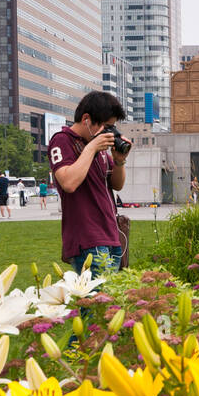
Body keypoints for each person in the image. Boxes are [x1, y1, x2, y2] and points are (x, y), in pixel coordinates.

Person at [47, 91, 128, 274]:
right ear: (86, 119)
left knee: (109, 301)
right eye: (107, 127)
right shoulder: (62, 140)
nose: (109, 134)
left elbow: (116, 185)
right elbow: (68, 182)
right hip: (88, 238)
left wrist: (119, 161)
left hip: (111, 236)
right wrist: (92, 147)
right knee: (95, 301)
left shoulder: (95, 147)